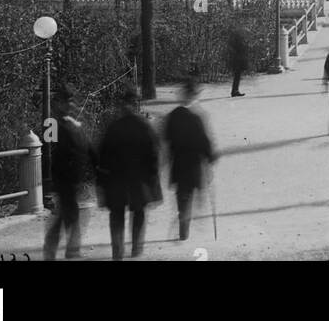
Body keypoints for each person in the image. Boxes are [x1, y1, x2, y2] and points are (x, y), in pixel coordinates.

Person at [95, 82, 161, 260]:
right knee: (138, 213)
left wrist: (101, 185)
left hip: (116, 183)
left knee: (117, 215)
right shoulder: (145, 127)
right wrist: (154, 184)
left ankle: (118, 251)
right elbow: (153, 157)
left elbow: (102, 159)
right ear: (136, 104)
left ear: (123, 105)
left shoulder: (113, 127)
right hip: (138, 182)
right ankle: (136, 250)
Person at [161, 77, 217, 242]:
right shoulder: (197, 117)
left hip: (178, 163)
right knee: (192, 192)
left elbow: (166, 139)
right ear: (193, 96)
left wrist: (165, 160)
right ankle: (190, 217)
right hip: (195, 165)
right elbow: (205, 143)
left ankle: (183, 227)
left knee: (182, 195)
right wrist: (210, 159)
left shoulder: (172, 116)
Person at [44, 85, 95, 261]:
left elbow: (86, 149)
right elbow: (49, 152)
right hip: (63, 179)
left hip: (71, 180)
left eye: (71, 101)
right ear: (58, 103)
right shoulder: (52, 123)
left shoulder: (71, 124)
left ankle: (59, 250)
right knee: (69, 215)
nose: (69, 105)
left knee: (67, 215)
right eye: (66, 101)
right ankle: (68, 251)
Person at [227, 25, 249, 98]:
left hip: (237, 60)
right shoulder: (238, 41)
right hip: (237, 61)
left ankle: (235, 90)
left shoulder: (234, 39)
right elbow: (240, 50)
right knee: (237, 76)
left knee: (237, 76)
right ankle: (235, 91)